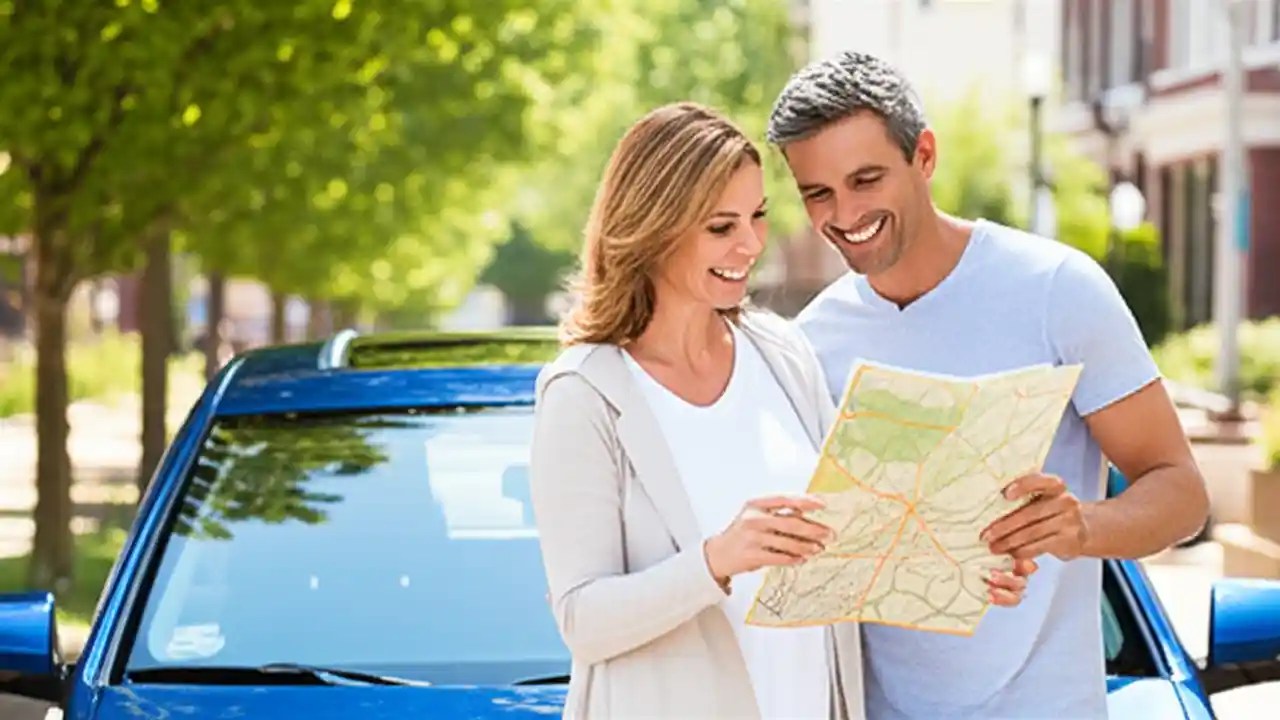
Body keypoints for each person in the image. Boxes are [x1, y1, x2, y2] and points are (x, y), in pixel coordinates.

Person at [528, 102, 1033, 719]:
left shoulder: (782, 350)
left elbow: (851, 546)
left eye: (758, 216)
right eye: (721, 227)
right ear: (653, 229)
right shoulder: (585, 394)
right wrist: (717, 560)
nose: (750, 244)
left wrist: (962, 562)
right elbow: (583, 621)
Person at [766, 51, 1211, 719]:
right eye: (818, 193)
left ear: (924, 155)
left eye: (866, 179)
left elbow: (1182, 494)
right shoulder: (811, 340)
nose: (844, 213)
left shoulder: (1057, 291)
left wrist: (1081, 527)